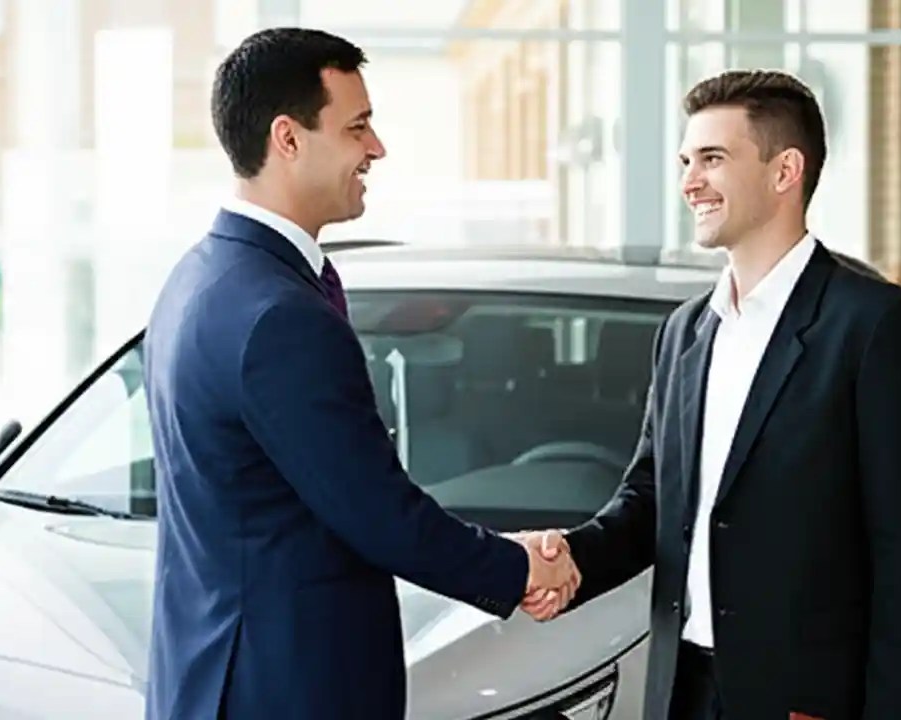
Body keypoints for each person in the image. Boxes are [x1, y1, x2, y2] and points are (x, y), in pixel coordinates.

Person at [142, 28, 577, 720]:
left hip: (216, 677)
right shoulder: (279, 314)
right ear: (288, 139)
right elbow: (376, 514)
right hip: (285, 692)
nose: (376, 148)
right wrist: (520, 566)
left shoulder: (200, 277)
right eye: (358, 127)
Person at [515, 69, 901, 719]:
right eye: (687, 161)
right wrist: (568, 556)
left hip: (806, 701)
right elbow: (652, 502)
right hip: (683, 689)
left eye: (713, 159)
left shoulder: (878, 326)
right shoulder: (686, 332)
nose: (690, 181)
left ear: (785, 171)